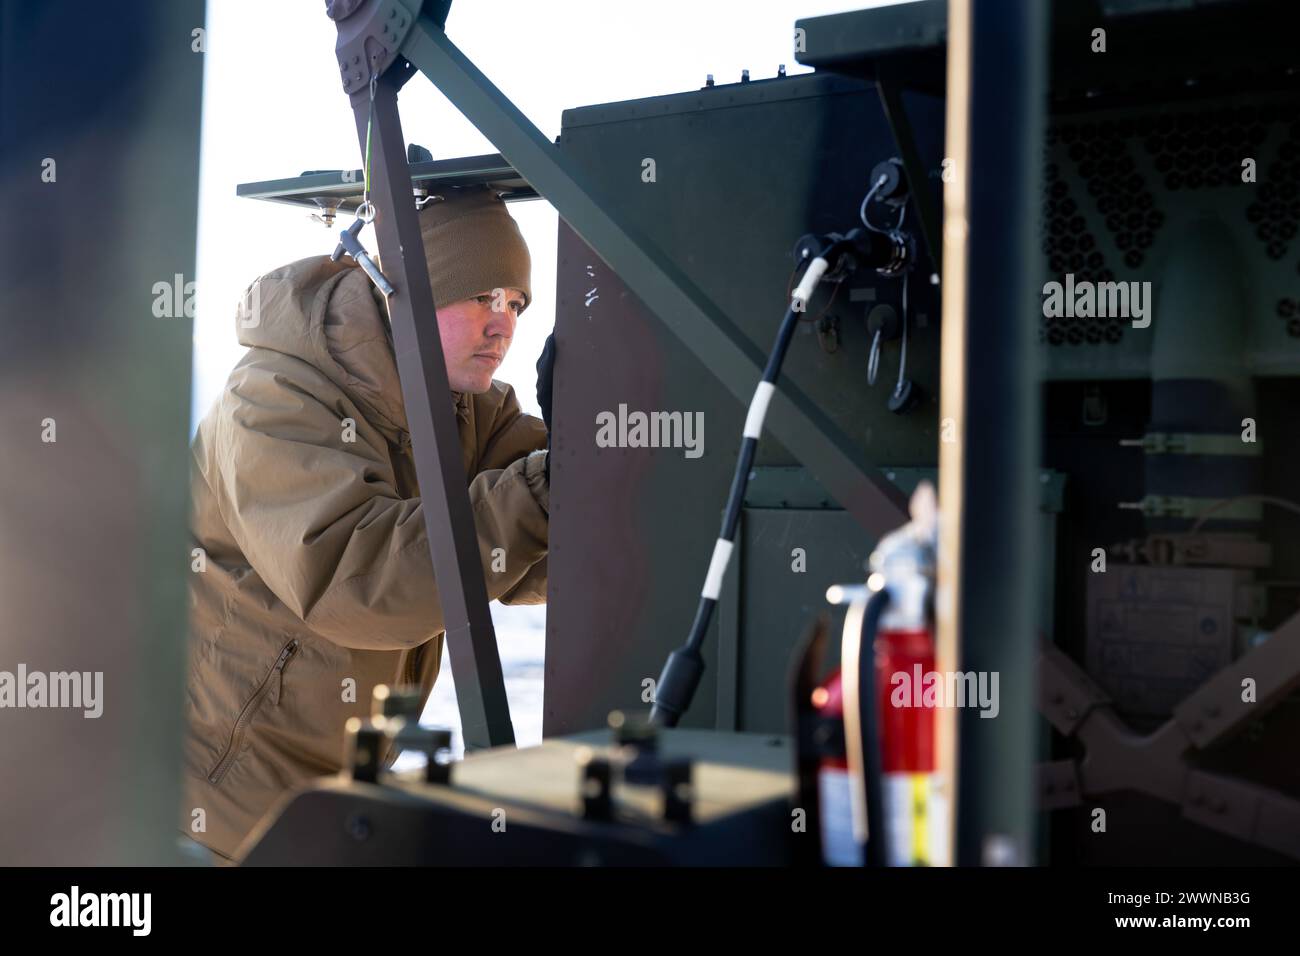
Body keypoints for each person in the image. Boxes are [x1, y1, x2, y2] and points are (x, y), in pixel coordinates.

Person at [179, 185, 552, 862]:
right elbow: (361, 581)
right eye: (484, 297)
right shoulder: (272, 399)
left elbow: (534, 552)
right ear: (405, 292)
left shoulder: (471, 411)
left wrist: (598, 448)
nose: (505, 325)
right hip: (217, 810)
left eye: (517, 304)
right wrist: (544, 493)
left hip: (334, 806)